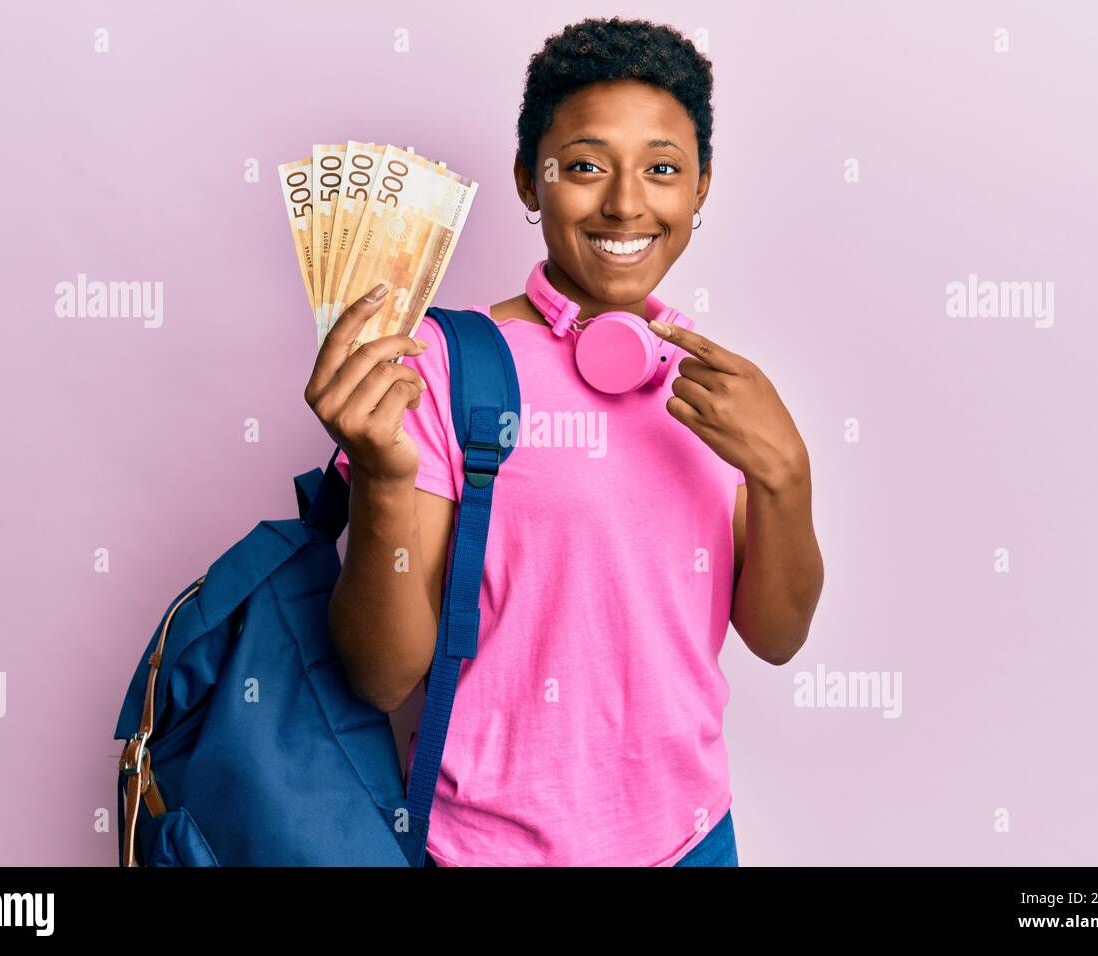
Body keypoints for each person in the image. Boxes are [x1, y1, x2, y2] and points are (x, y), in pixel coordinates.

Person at [303, 16, 824, 866]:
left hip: (694, 842)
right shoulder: (442, 364)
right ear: (528, 178)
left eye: (663, 169)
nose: (625, 202)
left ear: (701, 189)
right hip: (480, 851)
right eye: (585, 166)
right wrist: (385, 483)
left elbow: (776, 635)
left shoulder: (721, 393)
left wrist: (786, 477)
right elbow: (383, 676)